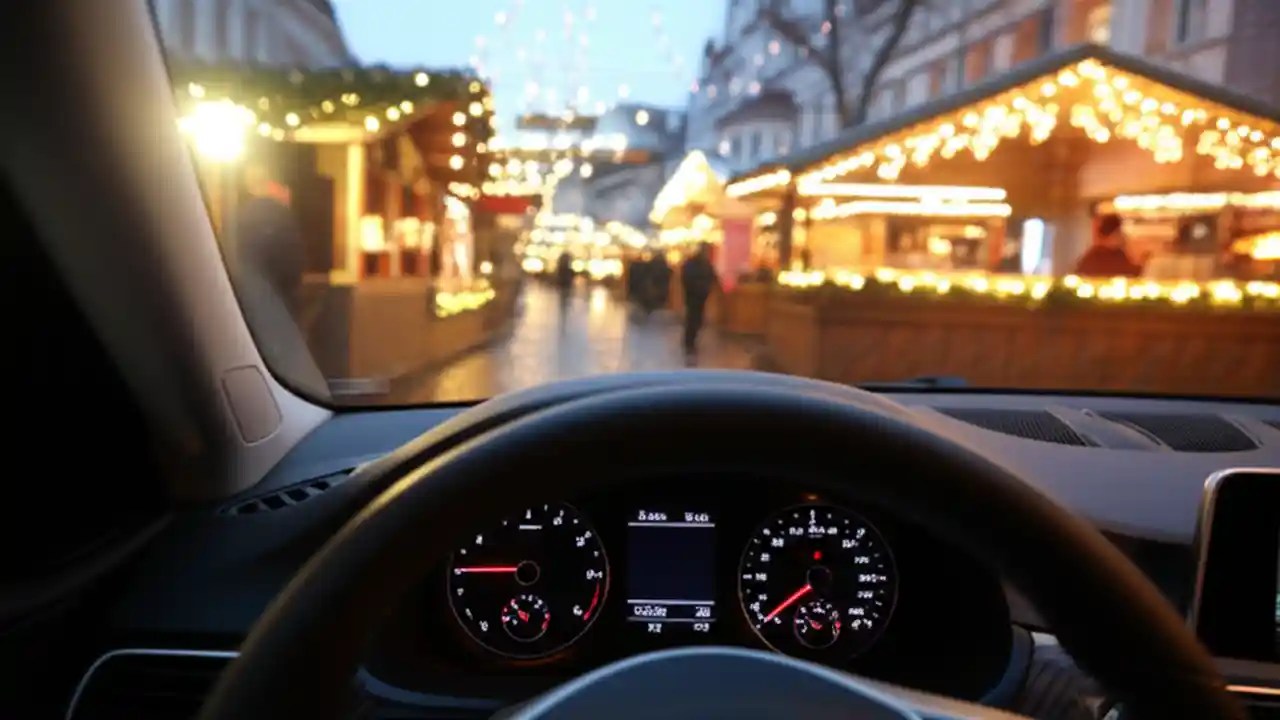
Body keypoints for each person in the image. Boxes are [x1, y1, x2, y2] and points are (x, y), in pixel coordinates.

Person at [1074, 214, 1144, 277]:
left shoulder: (1118, 253)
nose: (1122, 236)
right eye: (1118, 232)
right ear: (1112, 234)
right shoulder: (1097, 256)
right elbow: (1127, 274)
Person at [680, 243, 718, 358]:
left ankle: (690, 341)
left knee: (694, 318)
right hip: (696, 295)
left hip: (694, 295)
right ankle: (689, 342)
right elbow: (711, 276)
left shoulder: (693, 263)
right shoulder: (703, 264)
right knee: (694, 319)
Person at [645, 251, 672, 316]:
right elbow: (668, 273)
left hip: (653, 290)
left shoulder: (651, 266)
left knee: (653, 305)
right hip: (662, 289)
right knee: (660, 305)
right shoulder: (664, 267)